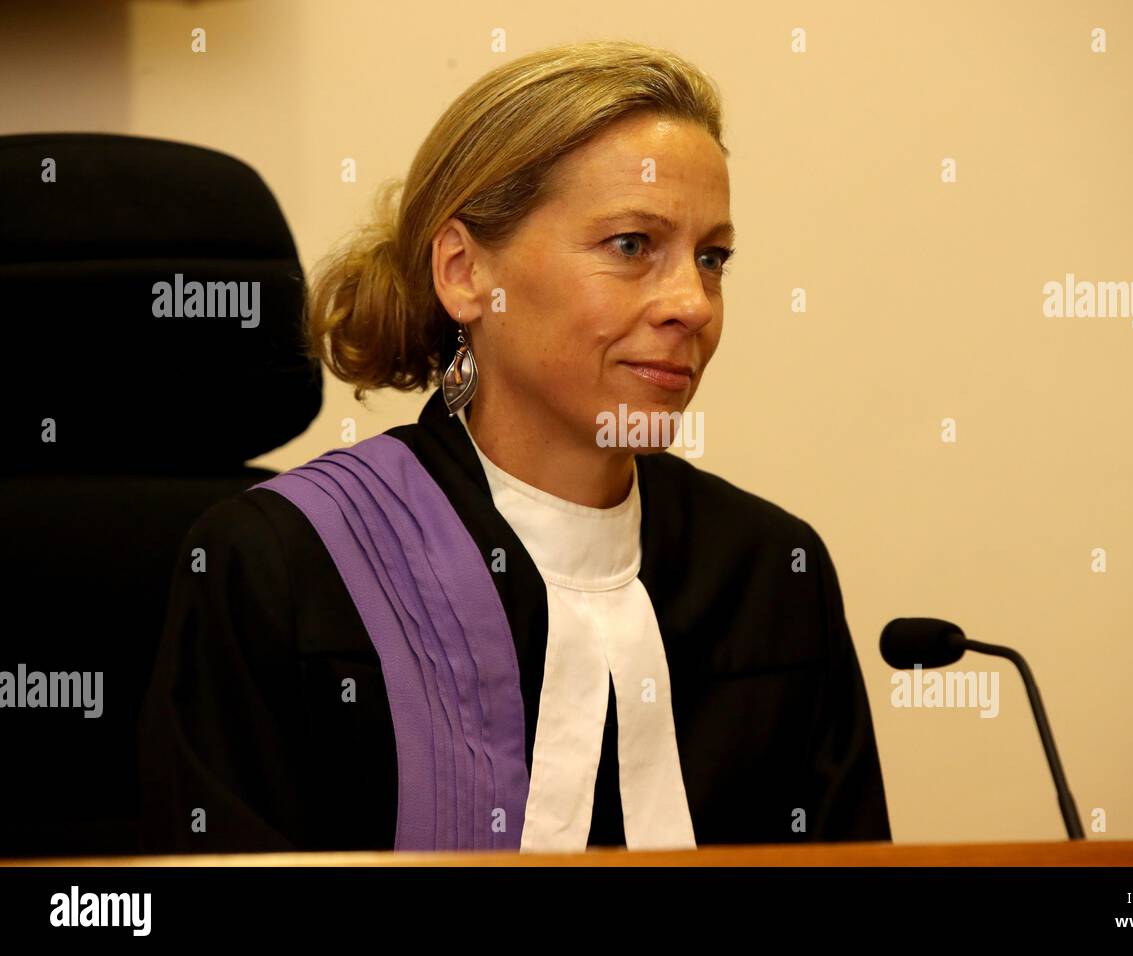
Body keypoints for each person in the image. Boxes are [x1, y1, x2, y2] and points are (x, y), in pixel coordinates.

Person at [137, 39, 891, 854]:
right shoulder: (281, 565)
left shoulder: (771, 572)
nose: (693, 305)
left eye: (711, 259)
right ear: (465, 273)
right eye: (633, 245)